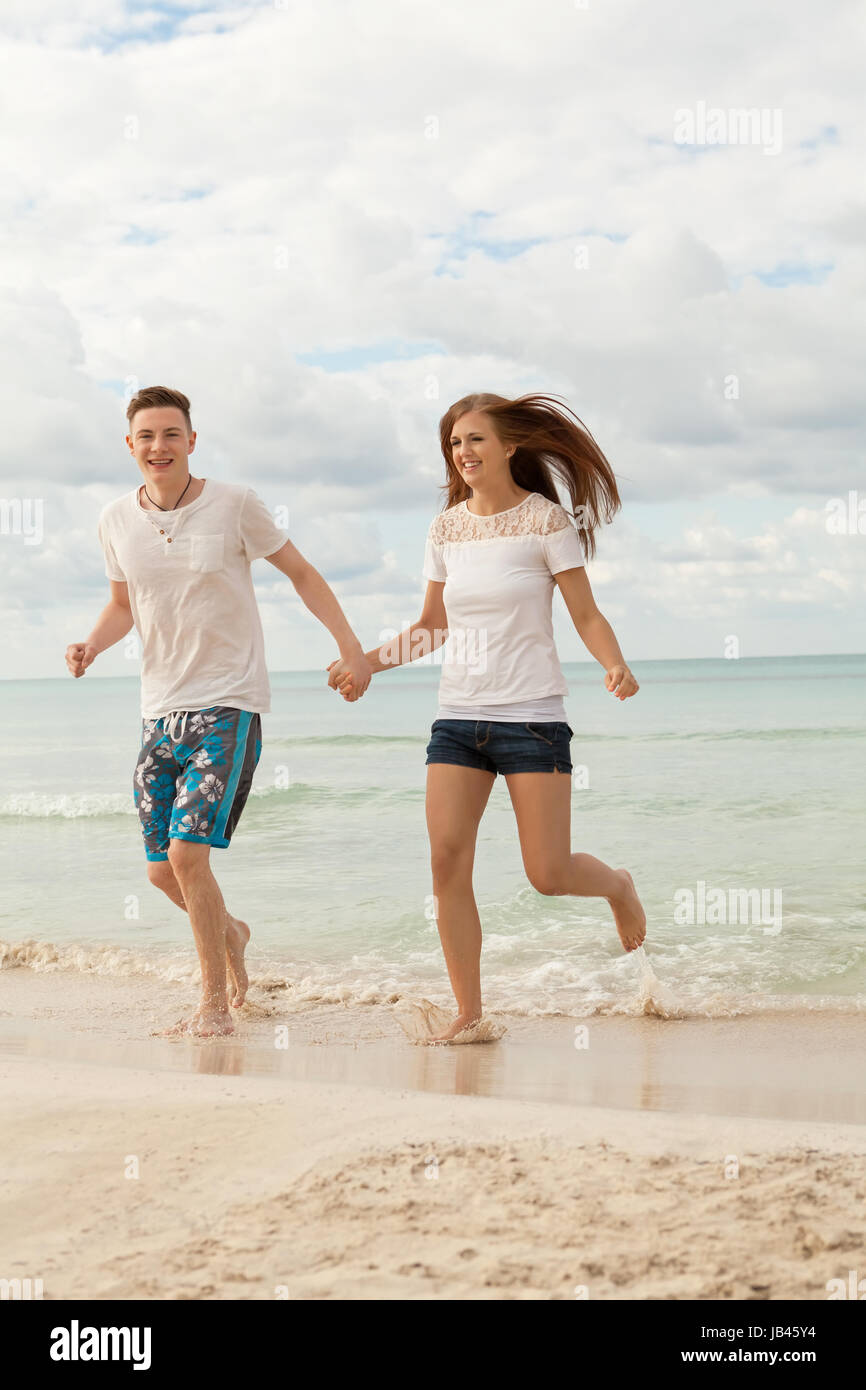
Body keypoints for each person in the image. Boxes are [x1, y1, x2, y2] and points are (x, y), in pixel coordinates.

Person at [327, 392, 646, 1042]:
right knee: (446, 863)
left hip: (532, 719)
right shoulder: (445, 529)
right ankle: (469, 1014)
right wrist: (366, 663)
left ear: (508, 446)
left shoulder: (546, 521)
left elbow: (585, 613)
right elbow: (432, 626)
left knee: (548, 875)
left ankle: (617, 886)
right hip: (457, 721)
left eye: (475, 439)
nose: (463, 452)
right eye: (454, 442)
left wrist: (614, 663)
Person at [66, 385, 372, 1037]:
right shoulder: (115, 519)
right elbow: (122, 604)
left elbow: (302, 572)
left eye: (171, 434)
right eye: (147, 436)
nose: (159, 446)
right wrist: (92, 644)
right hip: (159, 713)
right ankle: (230, 932)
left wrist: (351, 648)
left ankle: (213, 1004)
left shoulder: (235, 504)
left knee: (187, 856)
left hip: (228, 703)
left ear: (191, 441)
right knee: (160, 871)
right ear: (130, 445)